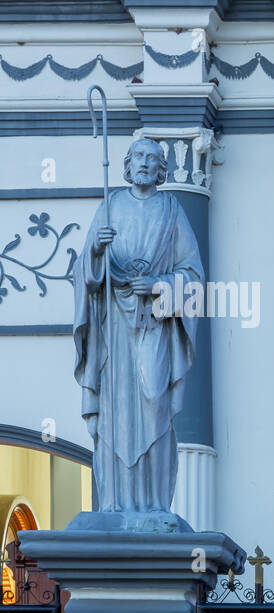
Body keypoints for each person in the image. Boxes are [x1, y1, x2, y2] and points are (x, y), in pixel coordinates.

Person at [72, 137, 203, 515]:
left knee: (154, 407)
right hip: (113, 331)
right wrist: (96, 250)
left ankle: (153, 504)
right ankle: (115, 503)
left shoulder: (172, 211)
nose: (145, 163)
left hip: (153, 326)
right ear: (127, 165)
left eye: (152, 158)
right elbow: (85, 276)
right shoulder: (110, 206)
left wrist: (160, 285)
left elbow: (194, 278)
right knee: (115, 415)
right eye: (138, 157)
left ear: (162, 169)